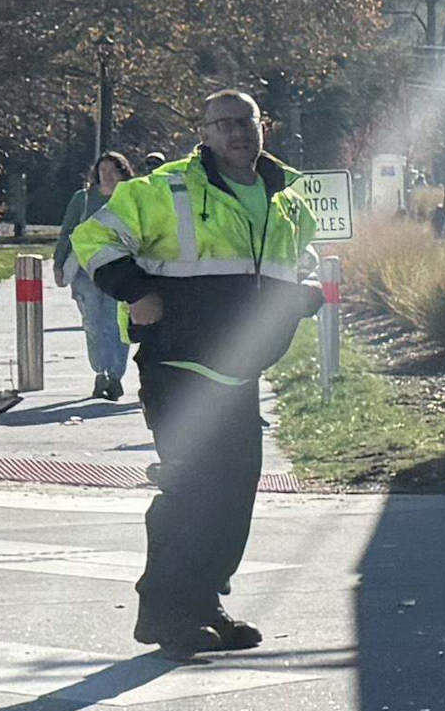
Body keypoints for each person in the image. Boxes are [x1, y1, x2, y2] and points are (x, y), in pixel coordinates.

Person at [69, 92, 320, 660]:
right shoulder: (165, 188)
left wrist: (301, 299)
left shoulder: (288, 198)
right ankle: (165, 614)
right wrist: (137, 291)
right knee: (190, 489)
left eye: (245, 121)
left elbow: (287, 267)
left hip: (240, 370)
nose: (236, 133)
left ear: (264, 126)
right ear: (203, 132)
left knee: (233, 493)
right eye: (223, 124)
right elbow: (94, 239)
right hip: (178, 364)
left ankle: (205, 604)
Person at [57, 149, 137, 402]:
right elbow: (67, 231)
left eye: (113, 171)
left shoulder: (132, 198)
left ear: (124, 173)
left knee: (116, 324)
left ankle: (115, 376)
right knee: (93, 324)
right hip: (85, 271)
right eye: (103, 171)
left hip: (121, 270)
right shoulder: (82, 199)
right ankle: (99, 372)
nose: (108, 176)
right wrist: (59, 264)